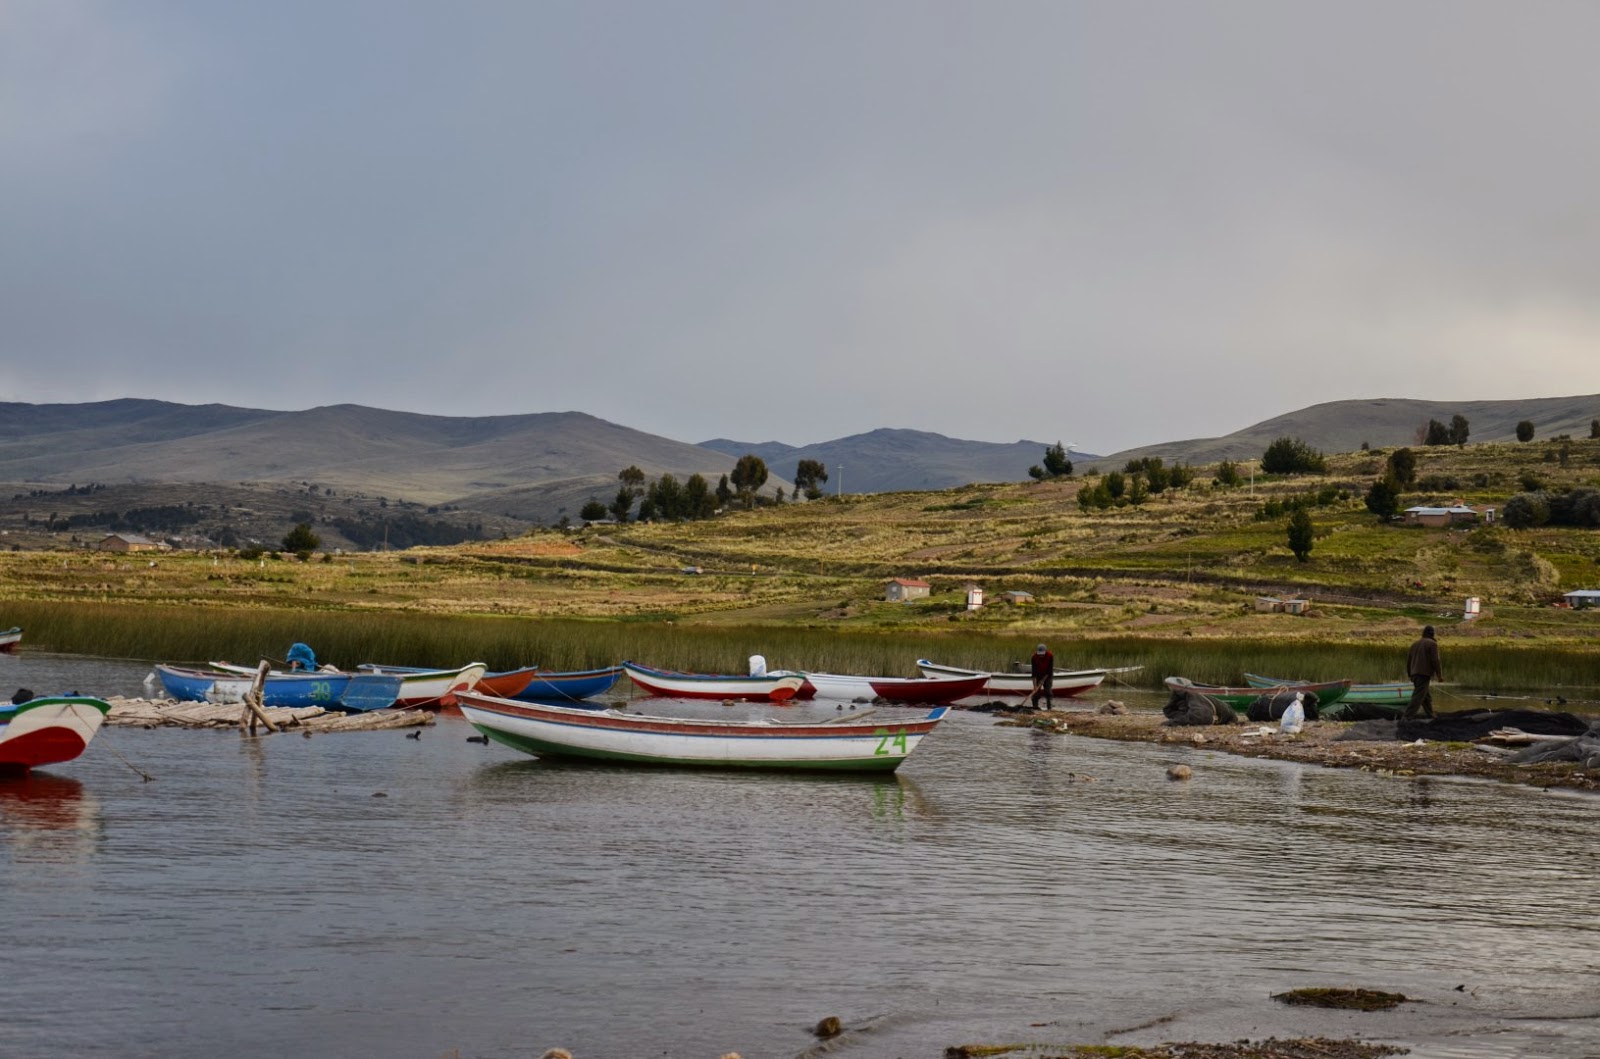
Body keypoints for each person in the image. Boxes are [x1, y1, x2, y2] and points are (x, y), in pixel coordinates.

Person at [1405, 625, 1442, 720]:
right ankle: (1406, 718)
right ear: (1432, 634)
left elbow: (1408, 661)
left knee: (1425, 697)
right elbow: (1435, 661)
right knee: (1417, 698)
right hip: (1423, 674)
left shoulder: (1415, 644)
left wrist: (1410, 674)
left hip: (1414, 674)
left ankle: (1431, 715)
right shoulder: (1432, 644)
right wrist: (1439, 675)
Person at [1030, 643, 1055, 710]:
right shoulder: (1034, 657)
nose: (1041, 656)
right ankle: (1035, 708)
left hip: (1048, 675)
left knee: (1048, 691)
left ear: (1045, 651)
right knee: (1036, 693)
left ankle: (1049, 708)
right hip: (1038, 675)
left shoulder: (1050, 656)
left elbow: (1049, 670)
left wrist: (1043, 680)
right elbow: (1034, 672)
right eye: (1039, 654)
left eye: (1042, 654)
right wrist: (1035, 686)